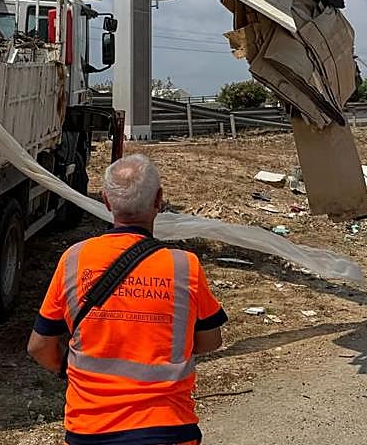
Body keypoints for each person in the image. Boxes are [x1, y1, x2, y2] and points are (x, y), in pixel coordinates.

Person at [27, 153, 227, 445]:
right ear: (159, 200)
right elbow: (211, 340)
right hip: (168, 429)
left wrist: (70, 372)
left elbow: (38, 346)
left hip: (90, 429)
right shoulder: (185, 266)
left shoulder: (74, 259)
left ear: (106, 201)